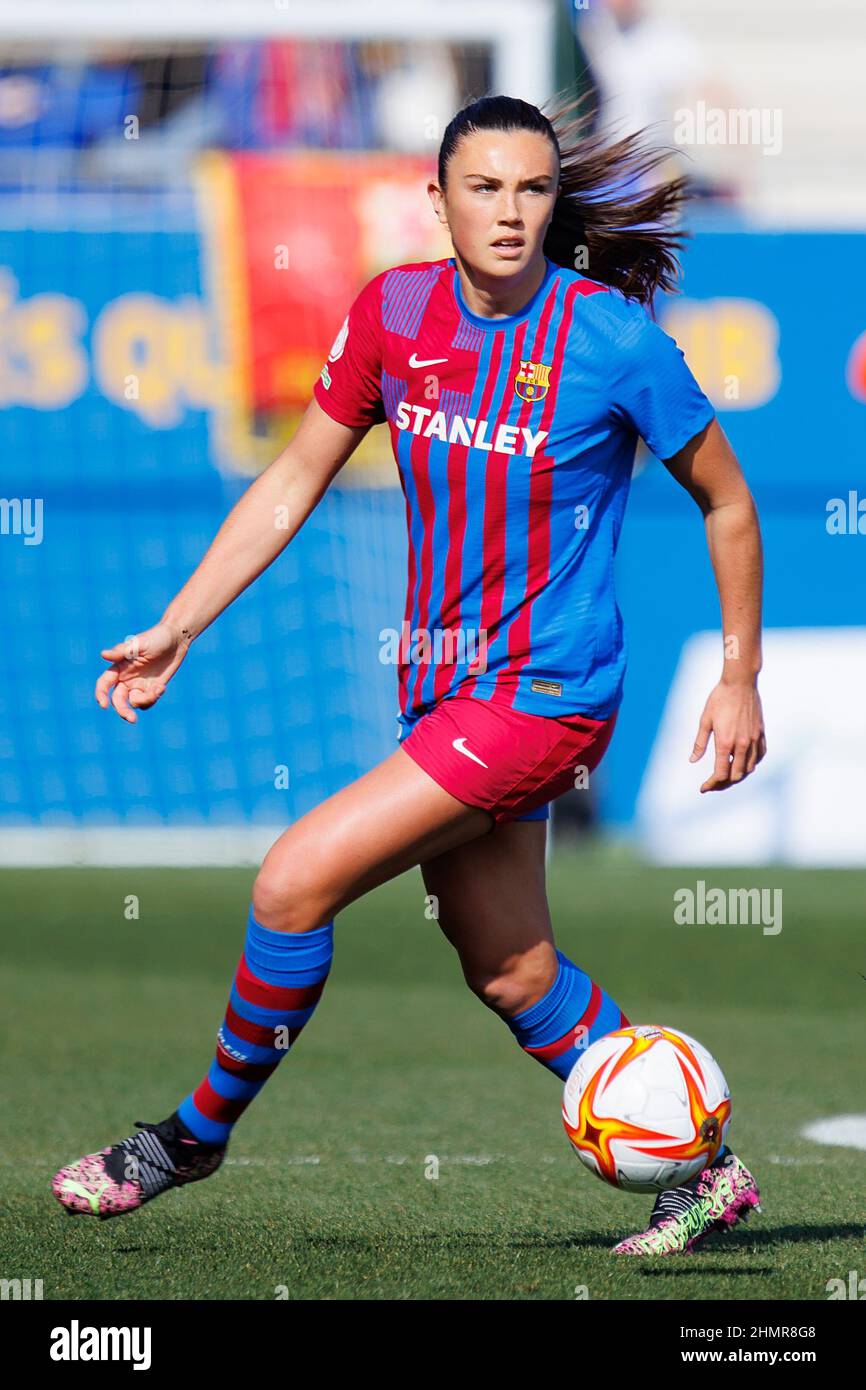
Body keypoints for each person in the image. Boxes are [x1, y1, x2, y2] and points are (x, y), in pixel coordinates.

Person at [53, 95, 765, 1255]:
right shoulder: (392, 312)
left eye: (531, 188)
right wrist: (182, 622)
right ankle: (707, 1172)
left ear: (552, 203)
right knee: (507, 963)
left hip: (545, 695)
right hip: (445, 691)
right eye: (482, 188)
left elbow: (727, 501)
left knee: (292, 883)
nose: (509, 211)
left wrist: (736, 677)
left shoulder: (611, 337)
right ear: (434, 201)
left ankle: (186, 1138)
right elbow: (294, 477)